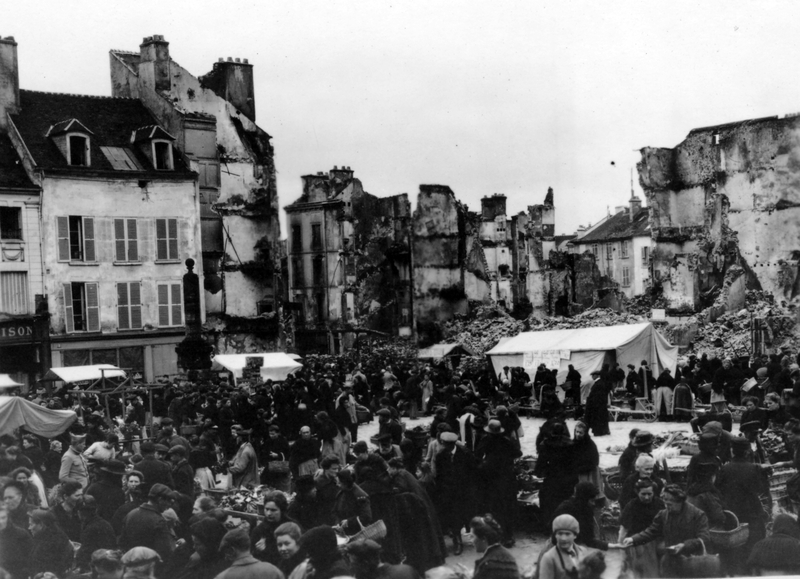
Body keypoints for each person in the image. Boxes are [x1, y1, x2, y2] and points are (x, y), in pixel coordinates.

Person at [622, 485, 711, 578]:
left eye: (670, 505)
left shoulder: (697, 515)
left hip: (692, 562)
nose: (667, 507)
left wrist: (685, 545)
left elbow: (704, 538)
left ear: (680, 502)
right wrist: (633, 539)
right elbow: (651, 531)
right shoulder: (664, 515)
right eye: (665, 504)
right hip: (670, 562)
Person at [717, 436, 770, 574]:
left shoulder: (724, 469)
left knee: (734, 548)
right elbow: (761, 489)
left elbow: (718, 490)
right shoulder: (754, 469)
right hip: (752, 513)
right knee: (752, 545)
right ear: (747, 452)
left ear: (732, 451)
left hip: (732, 514)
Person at [474, 419, 521, 547]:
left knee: (495, 507)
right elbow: (518, 452)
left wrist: (484, 464)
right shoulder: (506, 441)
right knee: (508, 507)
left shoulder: (486, 440)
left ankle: (498, 536)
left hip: (492, 479)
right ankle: (508, 536)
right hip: (507, 478)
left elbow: (477, 455)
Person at [434, 431, 477, 555]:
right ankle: (457, 542)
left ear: (452, 444)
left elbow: (472, 471)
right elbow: (439, 475)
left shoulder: (465, 453)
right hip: (449, 492)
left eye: (446, 444)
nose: (443, 446)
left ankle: (471, 536)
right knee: (453, 517)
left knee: (466, 514)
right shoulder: (441, 455)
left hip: (464, 491)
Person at [119, 483, 178, 565]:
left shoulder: (131, 514)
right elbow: (166, 552)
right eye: (168, 501)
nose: (168, 506)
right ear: (160, 500)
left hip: (131, 563)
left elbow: (122, 543)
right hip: (149, 566)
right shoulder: (159, 521)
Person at [618, 479, 664, 579]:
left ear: (653, 493)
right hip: (637, 541)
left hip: (656, 539)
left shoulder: (660, 504)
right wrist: (621, 548)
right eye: (643, 494)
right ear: (637, 492)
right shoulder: (631, 506)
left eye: (649, 494)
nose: (647, 497)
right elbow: (624, 529)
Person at [534, 422, 577, 526]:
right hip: (567, 476)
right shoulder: (570, 443)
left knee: (548, 499)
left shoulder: (546, 443)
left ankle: (548, 524)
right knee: (565, 500)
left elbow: (541, 461)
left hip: (552, 475)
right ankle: (566, 523)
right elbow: (574, 461)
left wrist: (538, 472)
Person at [552, 482, 610, 551]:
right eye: (591, 500)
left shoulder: (587, 510)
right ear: (584, 499)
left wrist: (613, 546)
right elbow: (554, 537)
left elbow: (589, 540)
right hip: (557, 547)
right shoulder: (565, 509)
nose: (593, 504)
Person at [251, 490, 299, 565]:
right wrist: (258, 550)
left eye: (273, 510)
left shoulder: (292, 527)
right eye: (266, 509)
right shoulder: (259, 530)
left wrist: (266, 550)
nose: (269, 513)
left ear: (282, 510)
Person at [28, 508, 75, 579]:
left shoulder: (49, 543)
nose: (29, 528)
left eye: (31, 524)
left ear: (41, 524)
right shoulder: (55, 533)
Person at [469, 514, 520, 579]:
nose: (471, 541)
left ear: (483, 539)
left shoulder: (488, 565)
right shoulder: (507, 554)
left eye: (472, 536)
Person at [538, 514, 589, 579]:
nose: (563, 538)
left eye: (567, 534)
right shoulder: (549, 558)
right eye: (560, 533)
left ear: (575, 535)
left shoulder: (583, 551)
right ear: (555, 535)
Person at [75, 495, 117, 572]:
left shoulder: (89, 528)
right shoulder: (105, 523)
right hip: (109, 565)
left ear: (79, 512)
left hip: (98, 568)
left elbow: (86, 554)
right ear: (96, 510)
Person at [686, 462, 725, 530]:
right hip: (704, 531)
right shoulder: (708, 494)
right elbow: (719, 516)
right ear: (712, 477)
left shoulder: (690, 491)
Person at [0, 503, 32, 579]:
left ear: (8, 517)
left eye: (3, 518)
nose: (0, 521)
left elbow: (32, 559)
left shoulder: (21, 534)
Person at [571, 421, 601, 490]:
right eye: (577, 432)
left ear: (585, 433)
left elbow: (594, 463)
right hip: (575, 473)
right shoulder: (573, 443)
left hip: (587, 474)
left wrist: (579, 469)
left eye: (580, 433)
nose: (578, 434)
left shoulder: (590, 445)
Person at [315, 455, 342, 526]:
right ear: (326, 469)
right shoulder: (320, 483)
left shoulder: (334, 479)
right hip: (325, 517)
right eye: (334, 469)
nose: (336, 471)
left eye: (337, 468)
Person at [582, 370, 611, 436]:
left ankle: (598, 432)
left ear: (597, 376)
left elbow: (596, 396)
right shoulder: (600, 383)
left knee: (597, 419)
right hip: (600, 405)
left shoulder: (598, 384)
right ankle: (602, 431)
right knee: (601, 419)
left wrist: (590, 402)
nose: (592, 377)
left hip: (597, 405)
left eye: (593, 375)